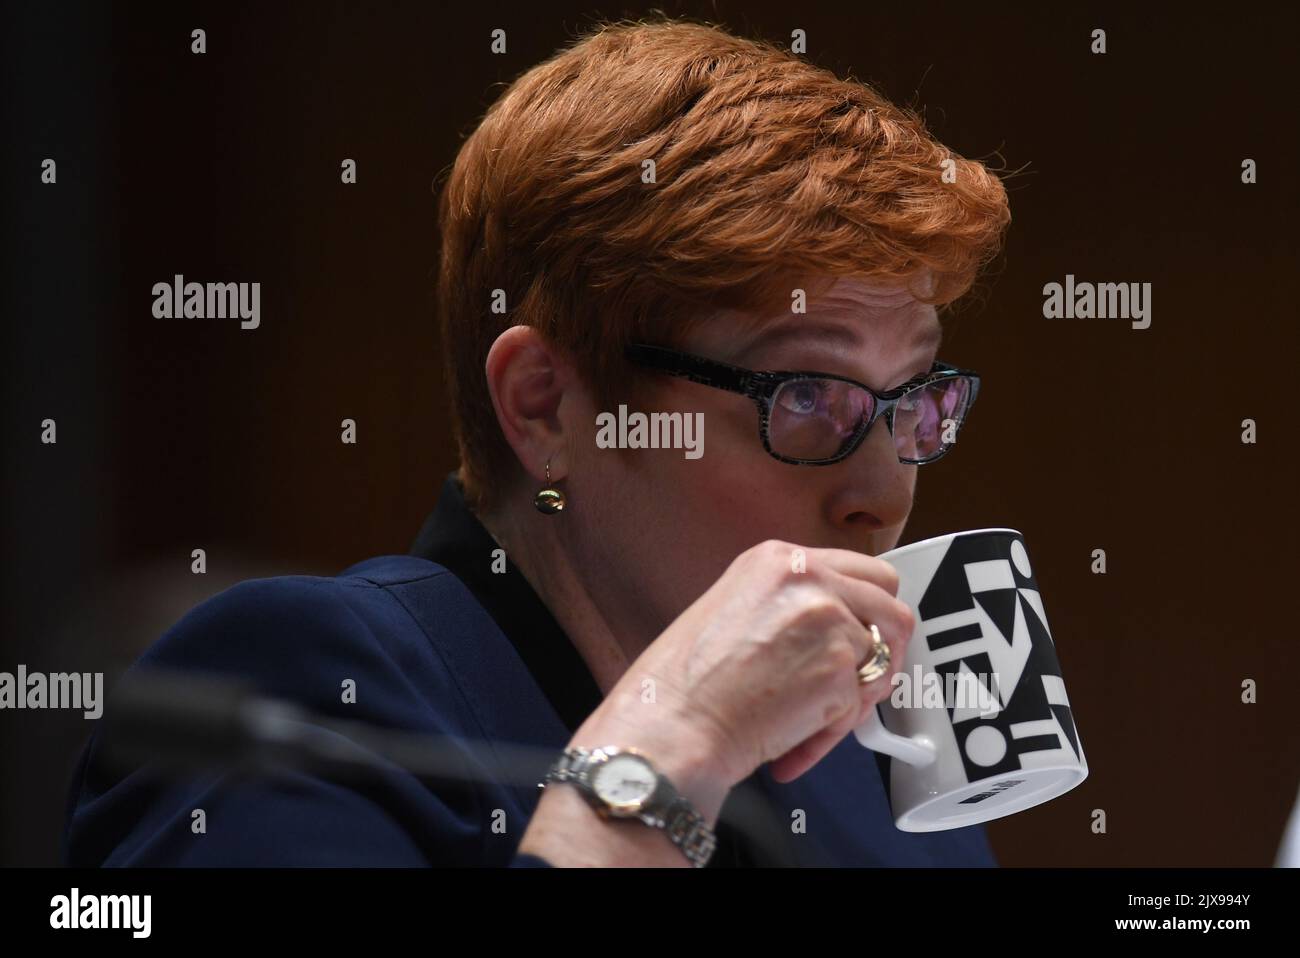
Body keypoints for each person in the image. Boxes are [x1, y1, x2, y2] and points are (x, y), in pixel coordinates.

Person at [63, 18, 1011, 867]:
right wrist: (676, 741)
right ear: (546, 407)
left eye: (915, 399)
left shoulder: (871, 780)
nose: (885, 492)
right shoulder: (311, 691)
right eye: (806, 392)